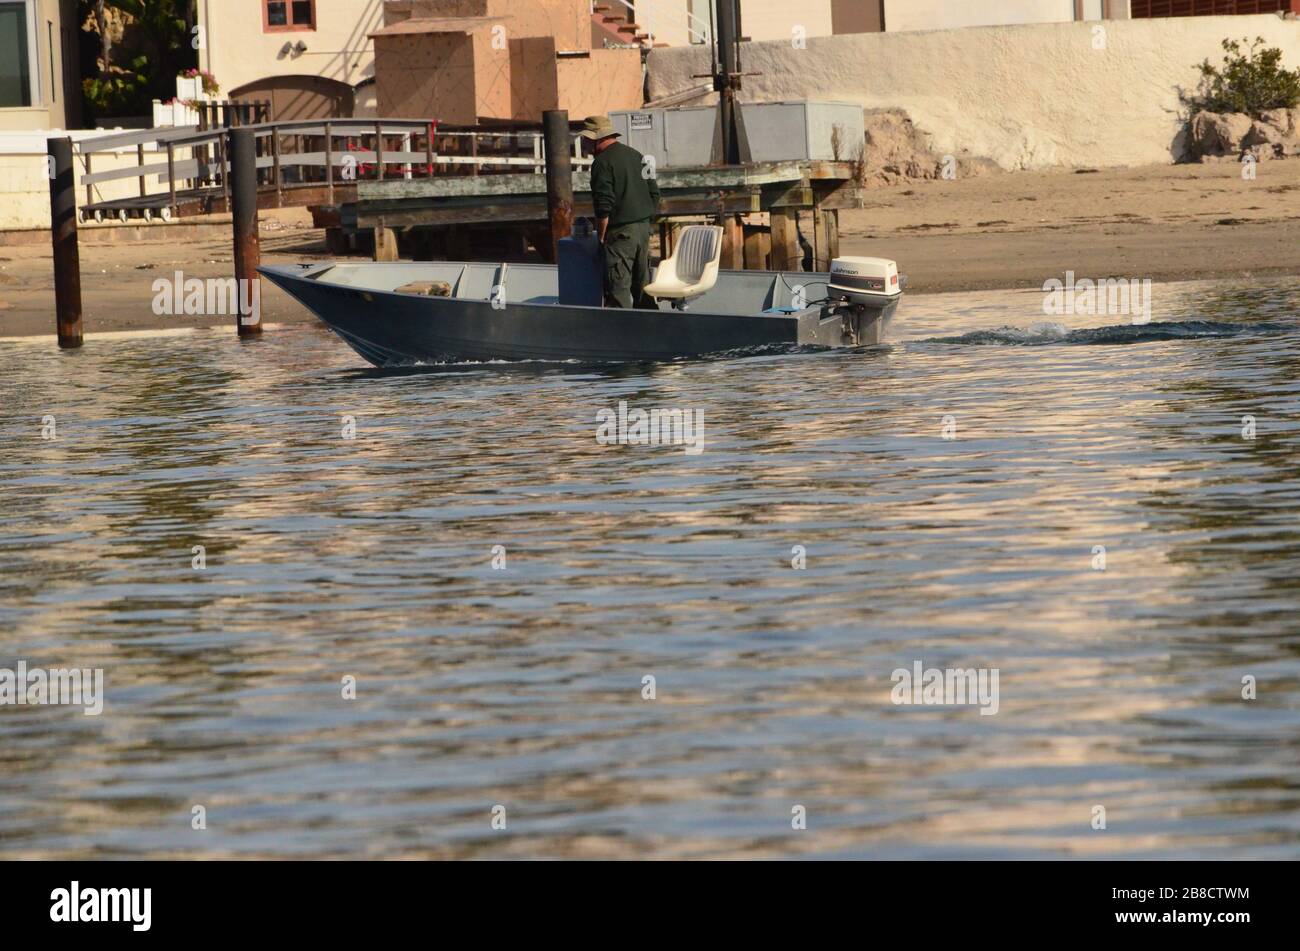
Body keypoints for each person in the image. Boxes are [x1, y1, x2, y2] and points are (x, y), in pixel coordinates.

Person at [580, 115, 661, 309]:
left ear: (596, 138)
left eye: (585, 139)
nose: (583, 143)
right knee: (643, 286)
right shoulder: (637, 155)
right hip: (643, 230)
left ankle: (622, 334)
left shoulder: (601, 163)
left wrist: (601, 237)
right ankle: (652, 328)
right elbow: (654, 193)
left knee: (618, 288)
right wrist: (643, 220)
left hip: (621, 234)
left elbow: (603, 205)